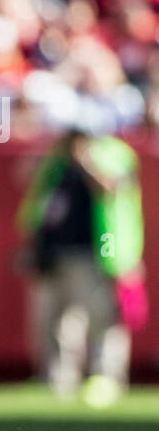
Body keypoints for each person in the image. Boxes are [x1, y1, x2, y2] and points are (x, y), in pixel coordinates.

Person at [18, 124, 145, 405]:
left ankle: (106, 378)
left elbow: (109, 189)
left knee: (101, 319)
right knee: (55, 323)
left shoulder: (113, 156)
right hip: (54, 255)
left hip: (97, 255)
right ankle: (58, 381)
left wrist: (86, 161)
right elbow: (29, 187)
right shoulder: (56, 165)